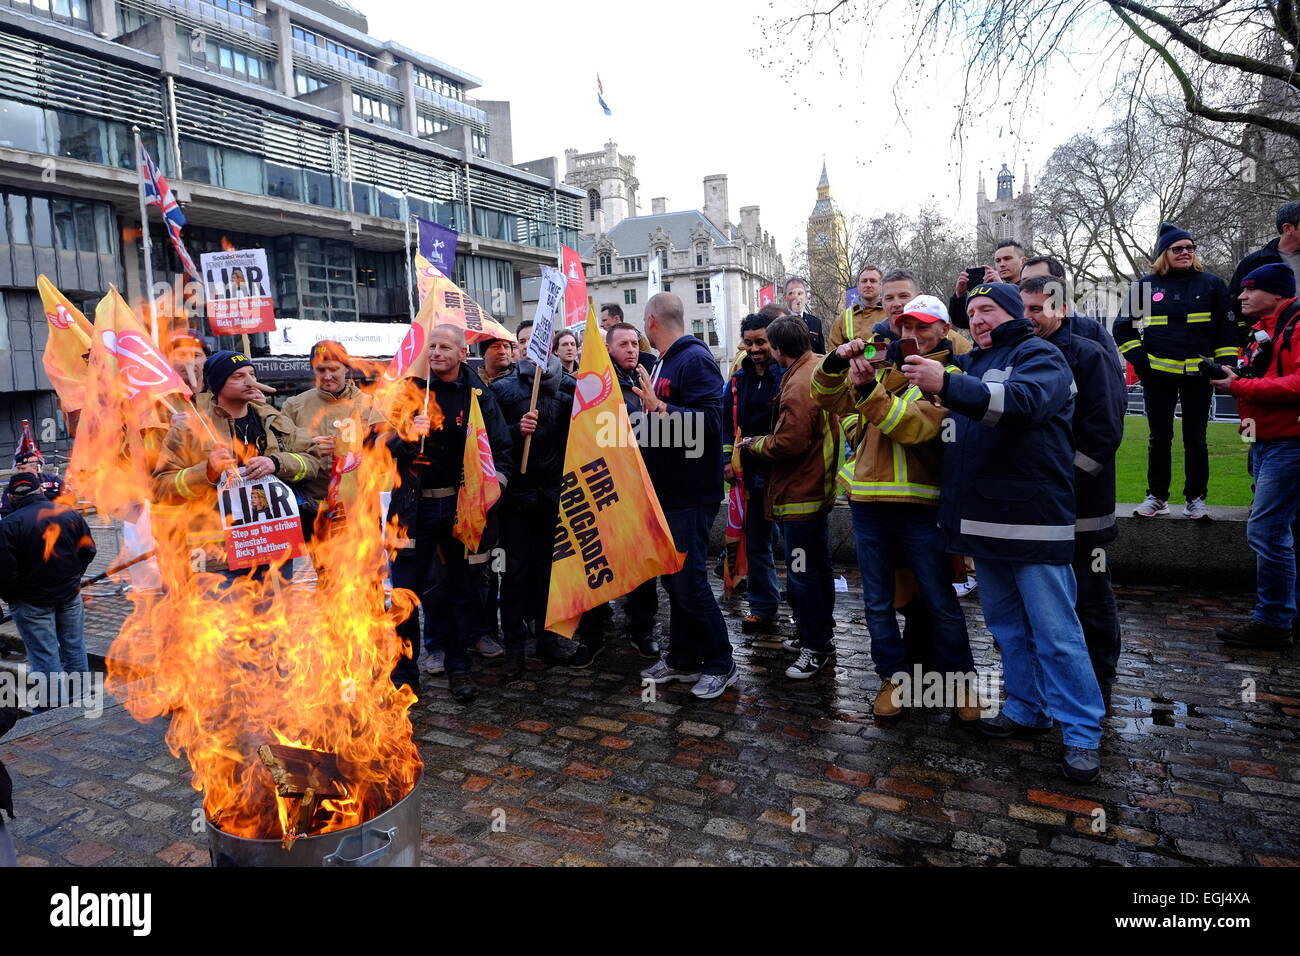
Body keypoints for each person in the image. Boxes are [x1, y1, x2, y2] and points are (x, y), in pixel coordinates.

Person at [903, 282, 1106, 783]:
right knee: (1007, 627)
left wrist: (946, 385)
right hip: (984, 523)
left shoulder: (1042, 355)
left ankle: (1082, 732)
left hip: (1034, 521)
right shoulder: (971, 365)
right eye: (971, 312)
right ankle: (1025, 708)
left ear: (1012, 312)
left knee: (1057, 632)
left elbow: (1022, 405)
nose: (977, 319)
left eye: (988, 309)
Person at [812, 295, 979, 720]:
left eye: (923, 327)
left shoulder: (952, 376)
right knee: (878, 602)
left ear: (944, 331)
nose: (912, 335)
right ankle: (893, 679)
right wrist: (836, 361)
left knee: (939, 599)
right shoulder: (882, 367)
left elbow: (914, 426)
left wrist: (867, 391)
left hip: (921, 507)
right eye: (906, 327)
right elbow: (825, 396)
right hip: (869, 503)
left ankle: (961, 682)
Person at [385, 326, 515, 703]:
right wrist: (406, 436)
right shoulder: (409, 392)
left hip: (463, 508)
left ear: (462, 353)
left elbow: (501, 449)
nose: (437, 352)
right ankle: (405, 678)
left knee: (462, 589)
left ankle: (460, 668)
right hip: (413, 509)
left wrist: (497, 489)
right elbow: (376, 446)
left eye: (445, 347)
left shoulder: (479, 395)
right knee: (405, 595)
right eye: (433, 346)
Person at [1022, 275, 1127, 701]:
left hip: (1084, 505)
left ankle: (1100, 676)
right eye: (1022, 309)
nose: (1028, 317)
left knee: (1090, 590)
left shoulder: (1088, 356)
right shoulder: (1024, 355)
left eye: (1036, 309)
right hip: (1041, 505)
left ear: (1061, 308)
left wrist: (1063, 478)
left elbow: (1104, 431)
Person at [635, 292, 737, 699]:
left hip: (692, 493)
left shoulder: (693, 359)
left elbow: (712, 424)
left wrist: (659, 409)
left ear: (651, 321)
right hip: (669, 491)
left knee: (689, 581)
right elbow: (668, 427)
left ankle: (720, 661)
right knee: (674, 581)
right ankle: (682, 658)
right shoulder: (664, 360)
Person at [152, 351, 324, 584]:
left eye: (252, 374)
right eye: (238, 376)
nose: (250, 381)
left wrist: (276, 463)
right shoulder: (191, 428)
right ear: (218, 384)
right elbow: (161, 487)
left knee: (275, 617)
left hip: (273, 547)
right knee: (222, 619)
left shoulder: (274, 421)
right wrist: (207, 472)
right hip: (217, 555)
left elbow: (312, 461)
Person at [1113, 223, 1236, 520]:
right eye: (1177, 248)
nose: (1185, 253)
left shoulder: (1212, 284)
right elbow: (1123, 328)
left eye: (1189, 248)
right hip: (1158, 376)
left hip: (1199, 376)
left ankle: (1196, 498)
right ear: (1163, 254)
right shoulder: (1145, 286)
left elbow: (1227, 329)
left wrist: (1221, 367)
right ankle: (1157, 497)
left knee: (1196, 438)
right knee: (1159, 437)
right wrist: (1142, 363)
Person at [742, 316, 840, 677]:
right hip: (814, 489)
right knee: (817, 567)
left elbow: (789, 442)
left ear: (780, 349)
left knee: (802, 572)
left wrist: (755, 444)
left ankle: (815, 645)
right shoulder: (813, 366)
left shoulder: (799, 382)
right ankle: (815, 635)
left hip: (801, 494)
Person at [1213, 264, 1300, 648]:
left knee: (1266, 530)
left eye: (1251, 290)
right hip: (1267, 440)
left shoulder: (1295, 325)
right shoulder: (1264, 331)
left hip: (1289, 442)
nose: (1242, 295)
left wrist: (1242, 384)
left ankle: (1273, 622)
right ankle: (1285, 615)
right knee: (1283, 531)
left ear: (1278, 293)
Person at [572, 322, 661, 665]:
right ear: (607, 349)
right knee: (594, 564)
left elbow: (659, 436)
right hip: (599, 490)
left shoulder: (645, 381)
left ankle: (643, 630)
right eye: (622, 344)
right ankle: (591, 637)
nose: (631, 349)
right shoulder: (592, 385)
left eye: (634, 343)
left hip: (638, 491)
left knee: (641, 565)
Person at [490, 345, 576, 678]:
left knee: (549, 573)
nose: (531, 349)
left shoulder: (567, 387)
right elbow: (490, 442)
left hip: (553, 497)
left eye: (537, 342)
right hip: (516, 500)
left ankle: (548, 638)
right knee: (514, 574)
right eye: (523, 344)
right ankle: (514, 647)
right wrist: (516, 431)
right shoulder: (502, 389)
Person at [0, 472, 96, 709]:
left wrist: (14, 596)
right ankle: (80, 701)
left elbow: (5, 571)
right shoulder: (69, 514)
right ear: (40, 491)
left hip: (32, 602)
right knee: (74, 647)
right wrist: (75, 577)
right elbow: (88, 550)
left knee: (45, 655)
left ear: (12, 497)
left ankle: (52, 711)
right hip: (68, 595)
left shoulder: (9, 525)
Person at [722, 311, 786, 632]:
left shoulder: (786, 375)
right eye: (749, 342)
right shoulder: (736, 381)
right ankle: (763, 605)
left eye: (761, 341)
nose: (755, 348)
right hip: (752, 476)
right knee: (758, 543)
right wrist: (725, 460)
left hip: (786, 475)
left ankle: (806, 606)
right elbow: (725, 425)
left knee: (796, 546)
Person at [280, 340, 381, 531]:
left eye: (334, 369)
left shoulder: (371, 405)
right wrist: (308, 447)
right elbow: (279, 451)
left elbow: (385, 453)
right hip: (313, 510)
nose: (328, 376)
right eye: (321, 370)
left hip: (360, 509)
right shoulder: (294, 406)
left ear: (346, 368)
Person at [1020, 256, 1123, 375]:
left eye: (1040, 279)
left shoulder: (1090, 330)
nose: (1031, 286)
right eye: (1025, 281)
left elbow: (1110, 382)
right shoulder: (1014, 330)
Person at [1228, 201, 1300, 319]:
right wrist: (1250, 333)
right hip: (1269, 335)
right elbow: (1234, 304)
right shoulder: (1254, 263)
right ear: (1288, 228)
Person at [948, 239, 1025, 327]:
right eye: (998, 260)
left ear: (1022, 261)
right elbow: (962, 322)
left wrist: (1002, 289)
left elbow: (1024, 317)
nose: (1002, 264)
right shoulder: (987, 289)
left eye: (1007, 259)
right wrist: (959, 296)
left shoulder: (1031, 288)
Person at [828, 265, 885, 350]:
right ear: (858, 286)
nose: (868, 285)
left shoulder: (890, 312)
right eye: (864, 281)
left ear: (881, 286)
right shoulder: (843, 318)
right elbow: (832, 352)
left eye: (873, 281)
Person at [0, 449, 62, 518]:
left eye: (23, 468)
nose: (20, 472)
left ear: (34, 467)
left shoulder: (52, 480)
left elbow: (68, 497)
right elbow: (6, 513)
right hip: (24, 522)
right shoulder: (12, 488)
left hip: (55, 519)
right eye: (18, 468)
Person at [781, 276, 826, 354]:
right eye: (791, 293)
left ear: (806, 297)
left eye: (800, 293)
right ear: (785, 297)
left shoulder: (815, 323)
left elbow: (821, 355)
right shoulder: (779, 323)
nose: (796, 297)